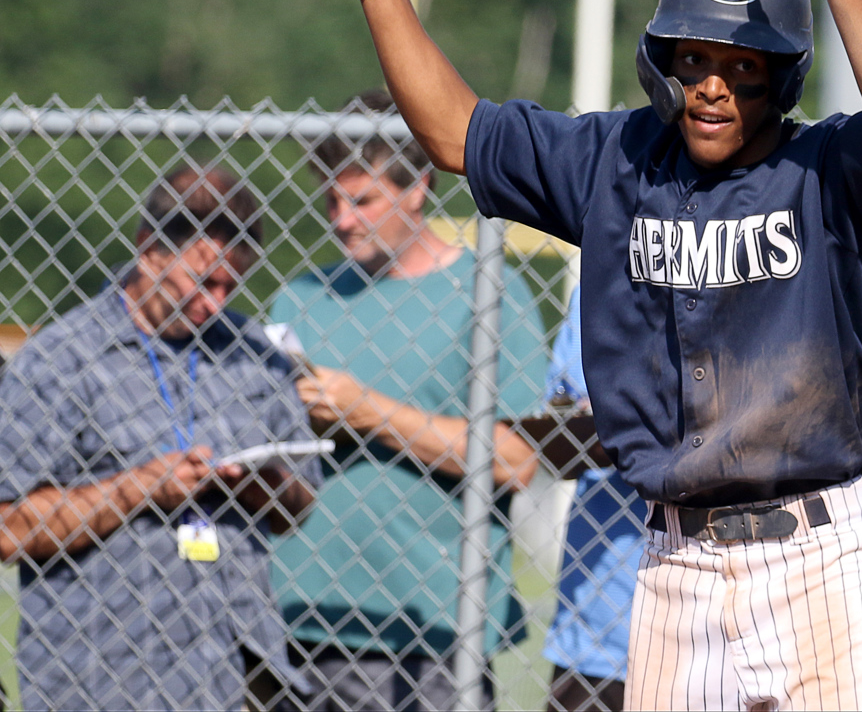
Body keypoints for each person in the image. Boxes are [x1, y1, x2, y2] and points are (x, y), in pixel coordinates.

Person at [312, 0, 862, 709]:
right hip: (673, 558)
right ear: (659, 62)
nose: (712, 85)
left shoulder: (825, 169)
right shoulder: (615, 161)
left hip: (815, 556)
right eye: (691, 58)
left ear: (783, 77)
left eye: (742, 66)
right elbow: (454, 133)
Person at [0, 165, 320, 712]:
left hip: (236, 675)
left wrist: (256, 482)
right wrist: (140, 488)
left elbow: (299, 506)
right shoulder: (58, 362)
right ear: (150, 250)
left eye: (231, 285)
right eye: (204, 282)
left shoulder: (254, 353)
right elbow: (9, 529)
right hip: (102, 680)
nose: (216, 302)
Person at [269, 98, 547, 711]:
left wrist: (367, 412)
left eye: (362, 200)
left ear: (418, 186)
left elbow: (517, 458)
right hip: (295, 619)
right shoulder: (301, 297)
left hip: (429, 632)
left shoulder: (485, 289)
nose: (342, 220)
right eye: (331, 202)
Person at [536, 285, 647, 712]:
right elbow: (563, 423)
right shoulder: (607, 273)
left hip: (743, 616)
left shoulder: (803, 265)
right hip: (601, 620)